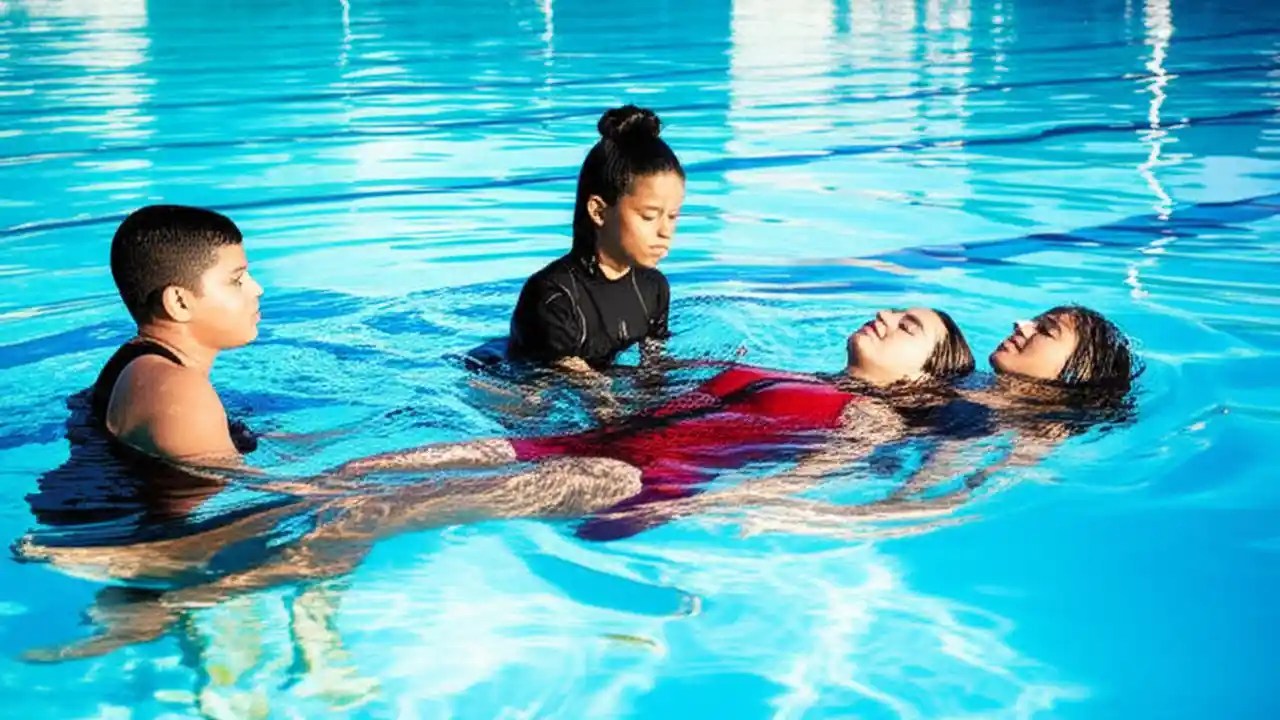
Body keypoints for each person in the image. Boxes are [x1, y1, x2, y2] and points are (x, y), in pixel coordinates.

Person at [506, 104, 685, 374]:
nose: (665, 231)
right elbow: (580, 387)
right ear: (599, 211)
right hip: (527, 388)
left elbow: (653, 371)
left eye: (672, 216)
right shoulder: (553, 297)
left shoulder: (654, 288)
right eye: (649, 216)